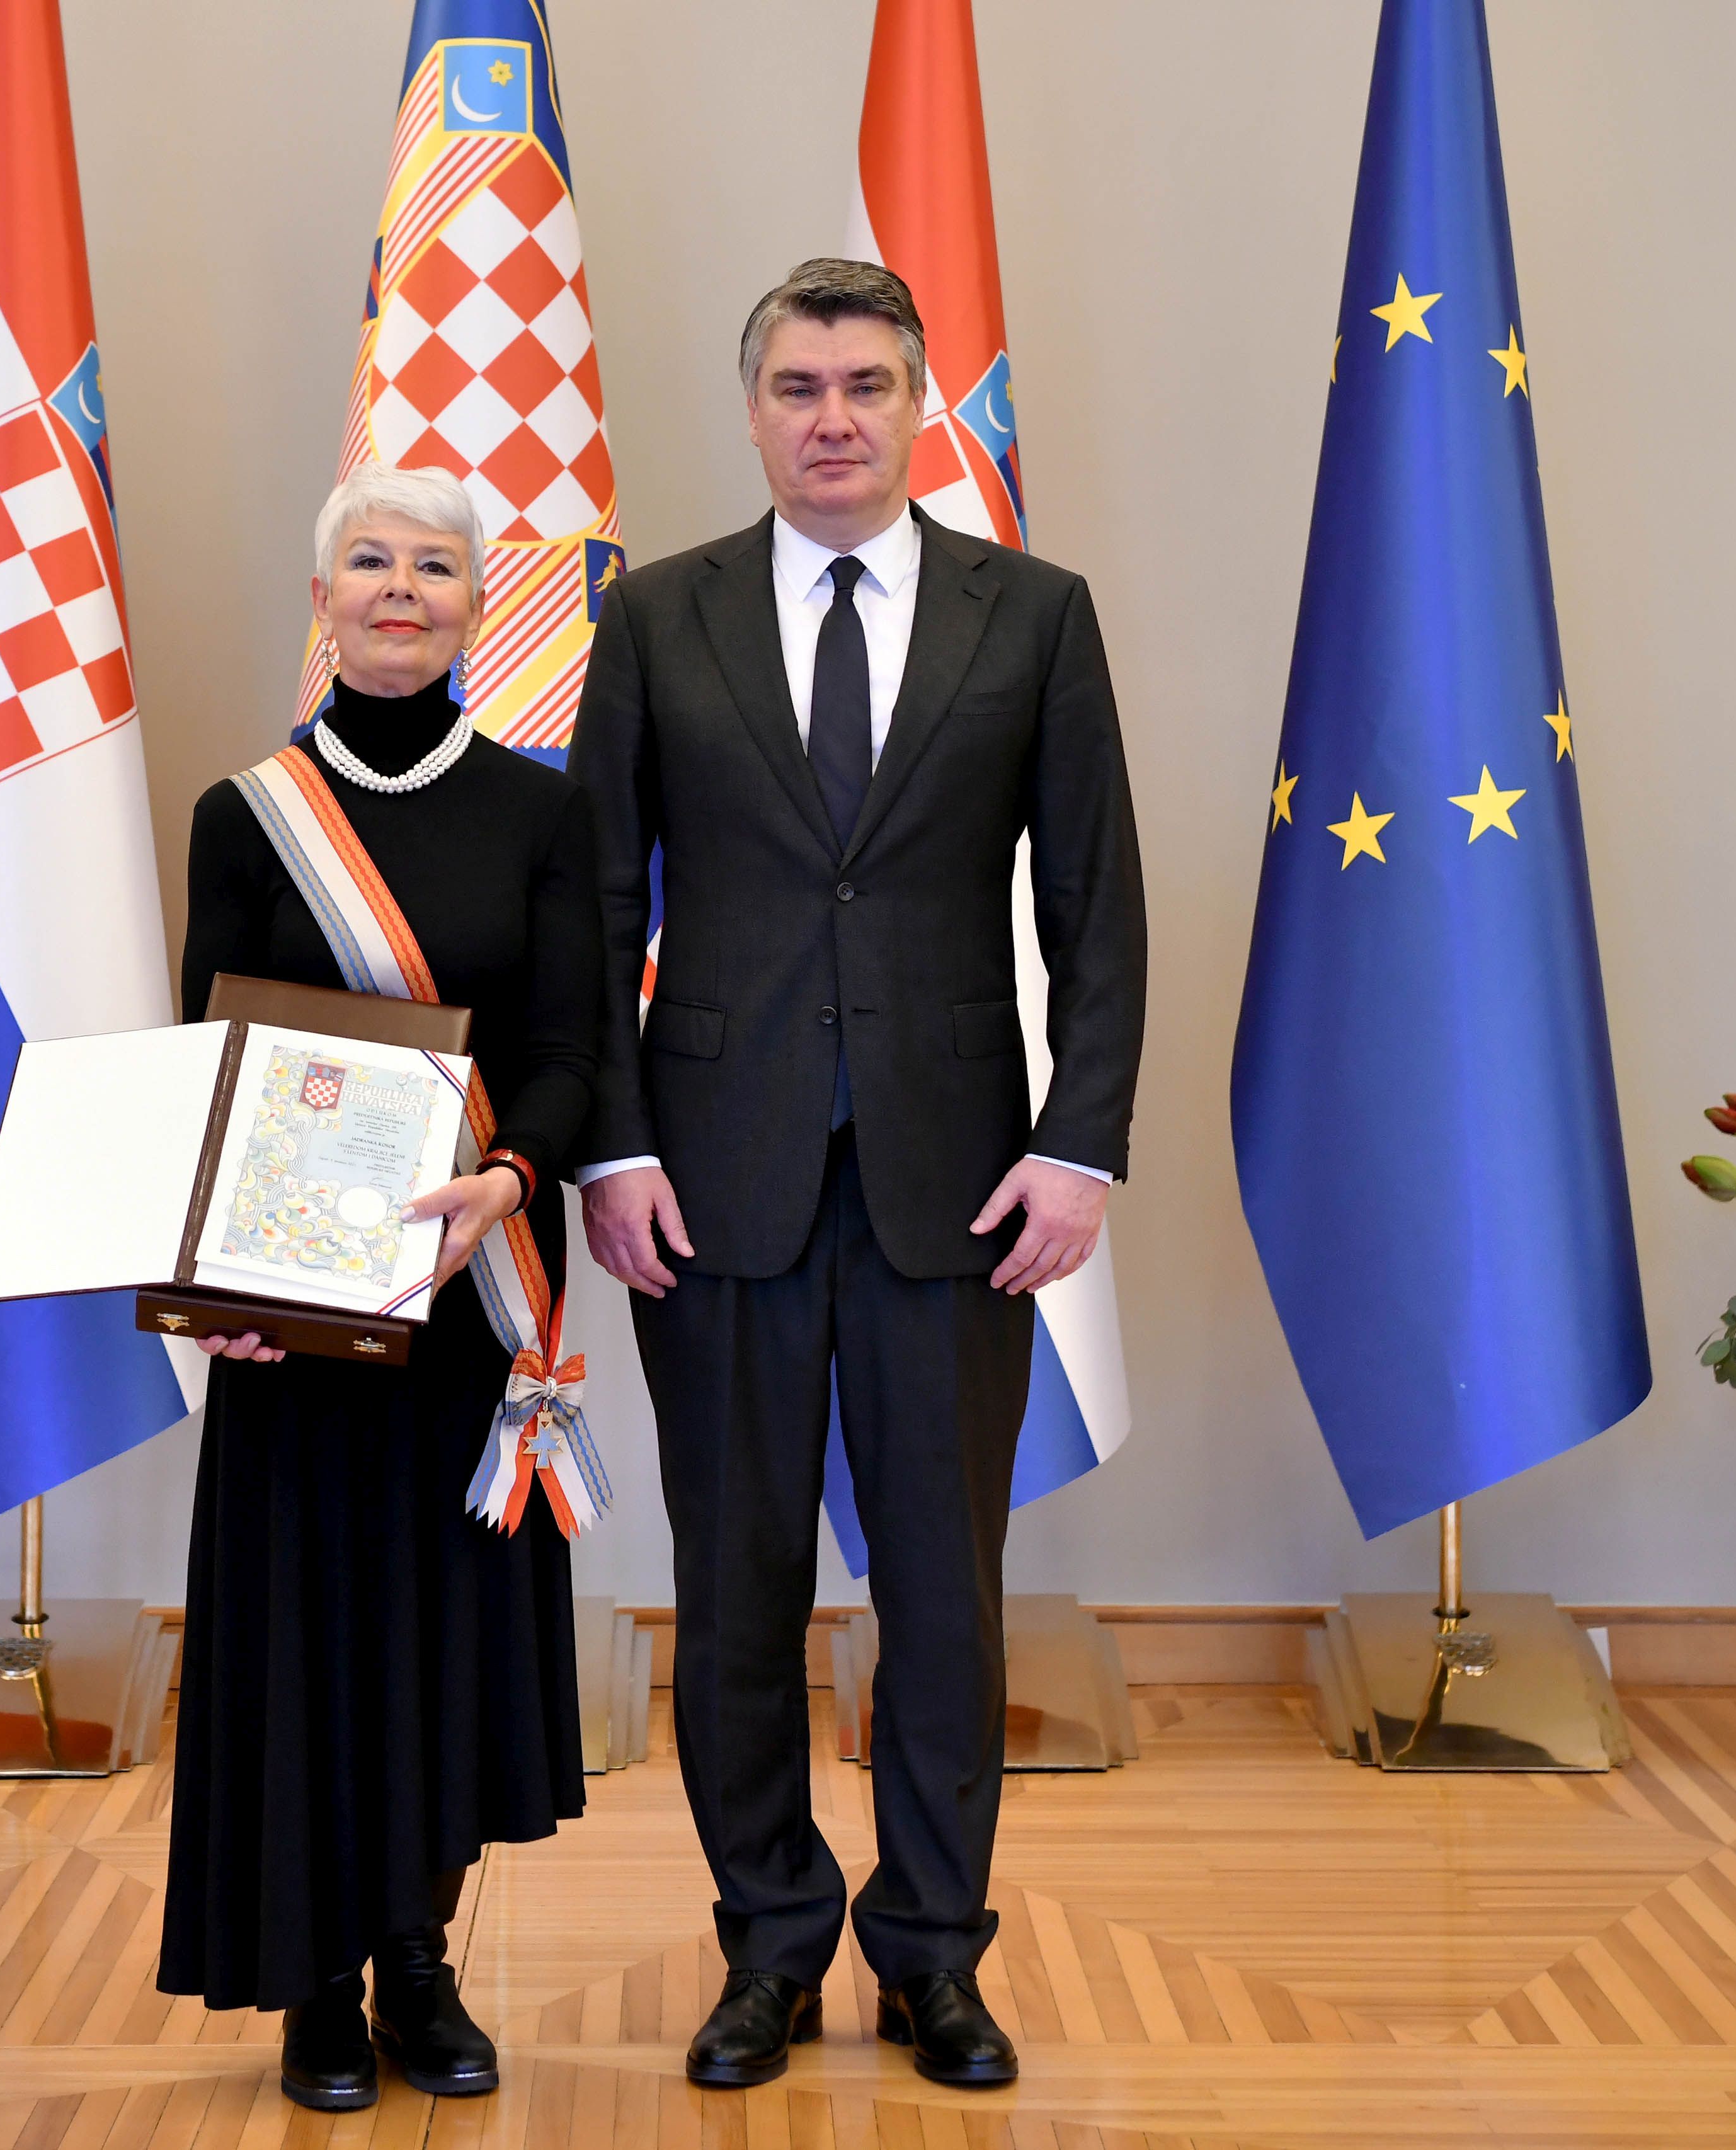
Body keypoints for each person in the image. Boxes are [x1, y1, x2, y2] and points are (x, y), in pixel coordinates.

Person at [568, 260, 1147, 2090]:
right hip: (709, 1179)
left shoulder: (1033, 616)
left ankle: (930, 1955)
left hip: (955, 1184)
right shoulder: (659, 617)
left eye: (868, 386)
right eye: (801, 386)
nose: (833, 417)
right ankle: (766, 1950)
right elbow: (593, 905)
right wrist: (609, 1140)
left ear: (921, 412)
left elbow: (1097, 908)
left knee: (943, 1592)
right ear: (751, 412)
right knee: (734, 1590)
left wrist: (1079, 1143)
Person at [157, 460, 603, 2113]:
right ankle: (316, 1987)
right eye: (369, 559)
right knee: (307, 1637)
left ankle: (420, 1963)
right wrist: (228, 1270)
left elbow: (570, 1050)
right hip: (297, 1309)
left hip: (474, 1295)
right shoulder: (243, 813)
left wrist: (507, 1180)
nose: (401, 586)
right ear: (322, 597)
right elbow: (208, 1053)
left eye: (435, 565)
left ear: (480, 605)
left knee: (440, 1640)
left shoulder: (543, 813)